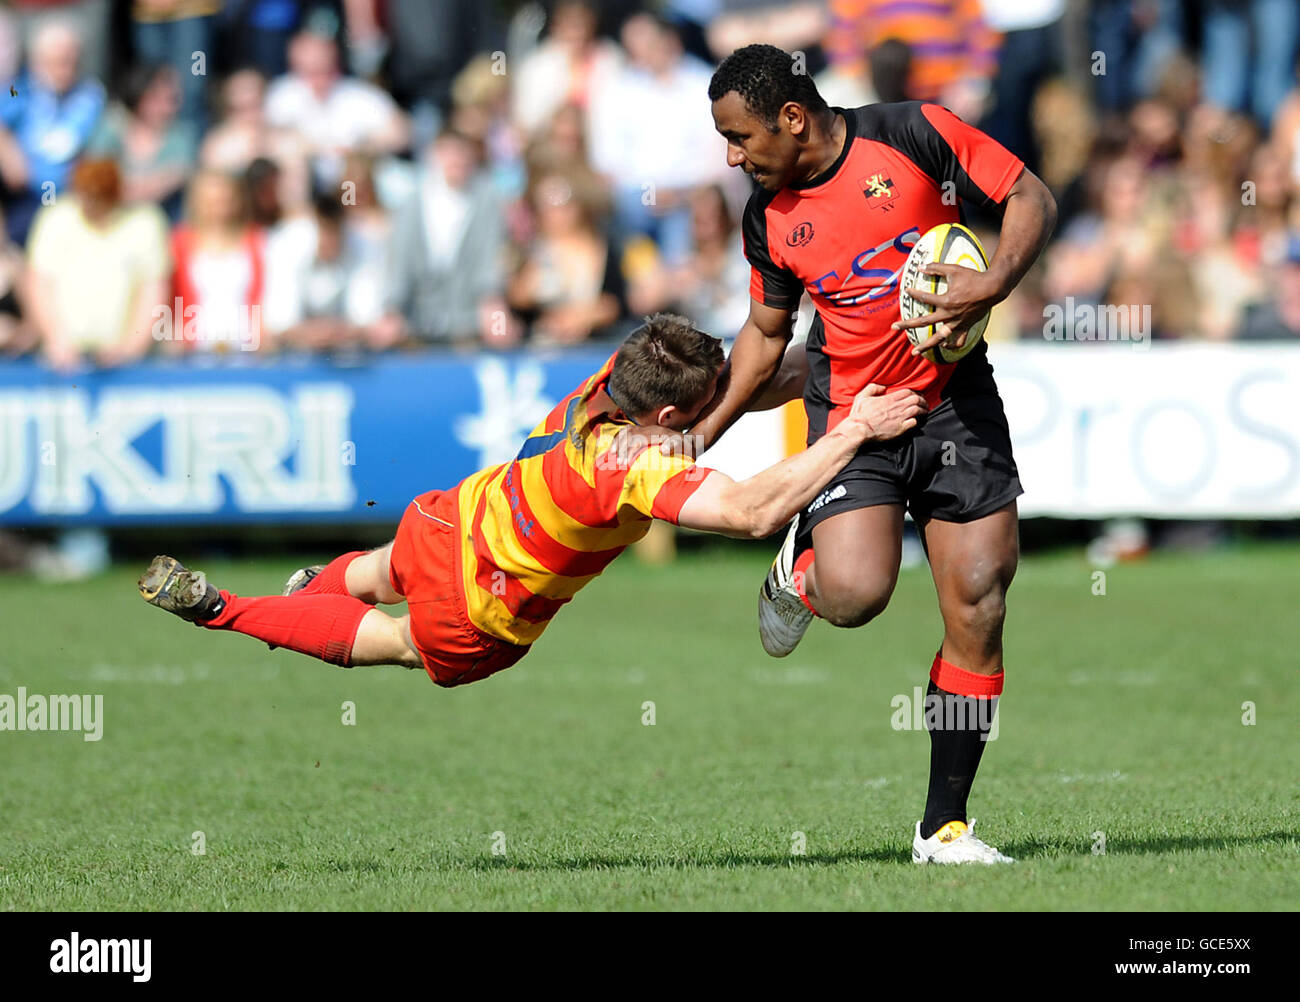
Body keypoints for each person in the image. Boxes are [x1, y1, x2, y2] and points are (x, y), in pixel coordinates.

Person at [138, 313, 926, 690]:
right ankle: (229, 611)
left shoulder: (607, 382)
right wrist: (852, 429)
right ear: (667, 420)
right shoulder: (635, 465)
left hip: (447, 518)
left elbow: (751, 383)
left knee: (370, 574)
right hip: (477, 609)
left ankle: (305, 598)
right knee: (393, 641)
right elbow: (755, 512)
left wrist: (859, 342)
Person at [696, 45, 1057, 864]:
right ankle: (804, 572)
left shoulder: (917, 133)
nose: (732, 155)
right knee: (858, 594)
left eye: (739, 136)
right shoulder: (768, 220)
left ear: (793, 118)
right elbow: (763, 338)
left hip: (957, 404)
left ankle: (944, 827)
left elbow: (1031, 193)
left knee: (980, 602)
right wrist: (699, 434)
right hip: (854, 416)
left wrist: (993, 280)